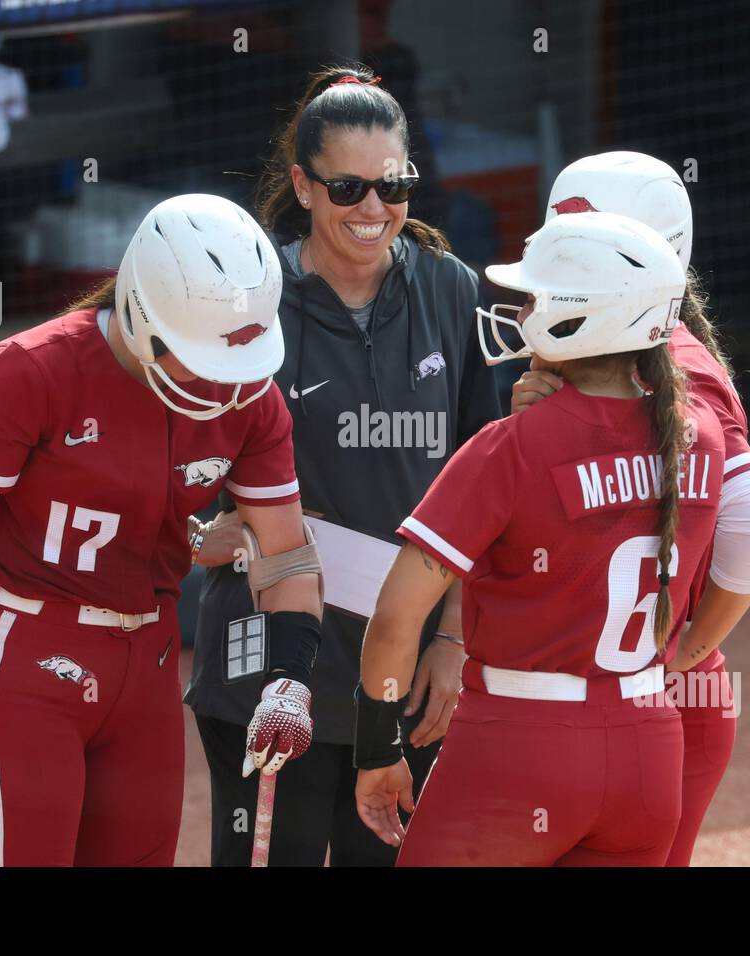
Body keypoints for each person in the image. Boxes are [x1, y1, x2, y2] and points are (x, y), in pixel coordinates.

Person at [0, 194, 323, 867]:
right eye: (205, 354)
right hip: (22, 653)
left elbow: (286, 554)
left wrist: (289, 679)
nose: (223, 381)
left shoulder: (250, 397)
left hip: (147, 661)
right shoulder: (32, 371)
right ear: (146, 315)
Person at [184, 64, 500, 867]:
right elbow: (171, 481)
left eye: (393, 187)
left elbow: (484, 487)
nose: (374, 209)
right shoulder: (250, 302)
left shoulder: (451, 291)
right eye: (349, 187)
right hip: (270, 665)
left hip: (402, 672)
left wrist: (455, 641)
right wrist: (211, 537)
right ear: (303, 182)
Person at [354, 212, 735, 866]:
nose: (521, 307)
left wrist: (378, 752)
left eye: (534, 296)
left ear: (578, 315)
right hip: (648, 749)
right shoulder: (702, 434)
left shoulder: (511, 448)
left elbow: (395, 618)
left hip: (518, 748)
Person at [513, 151, 750, 865]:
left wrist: (683, 656)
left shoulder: (674, 362)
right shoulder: (608, 342)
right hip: (616, 703)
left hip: (648, 701)